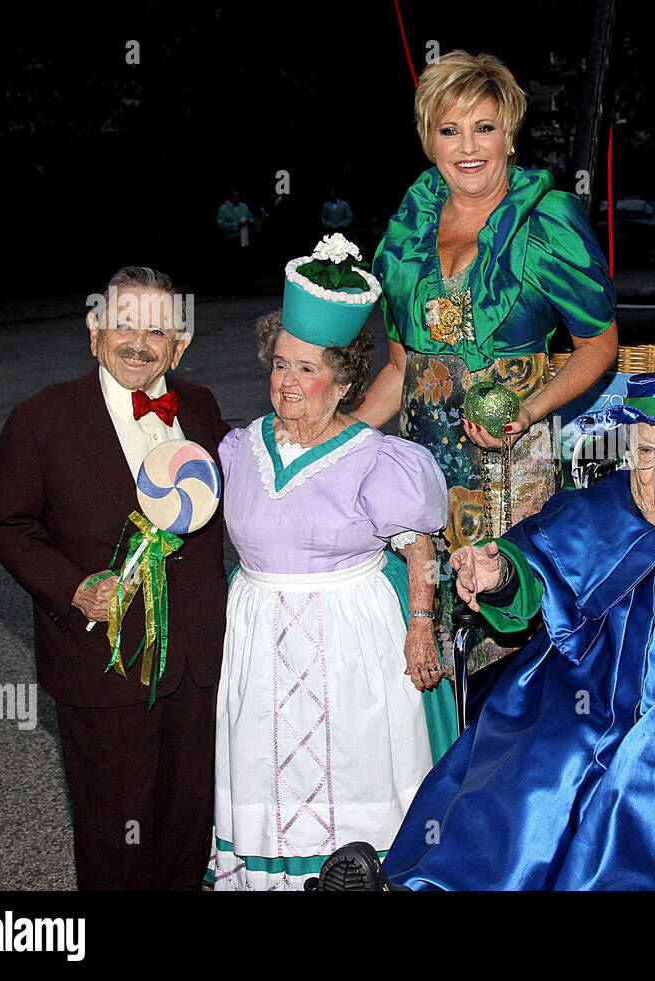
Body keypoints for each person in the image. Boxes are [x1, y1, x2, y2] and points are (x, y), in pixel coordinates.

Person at [351, 373, 655, 890]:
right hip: (579, 687)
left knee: (634, 794)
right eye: (647, 452)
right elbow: (528, 570)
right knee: (529, 774)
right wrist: (498, 576)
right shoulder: (598, 506)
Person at [356, 50, 618, 676]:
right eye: (450, 130)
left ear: (509, 134)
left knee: (506, 654)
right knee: (425, 644)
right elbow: (401, 371)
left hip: (511, 474)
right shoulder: (406, 231)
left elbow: (599, 346)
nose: (467, 146)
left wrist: (529, 410)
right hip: (423, 482)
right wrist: (333, 443)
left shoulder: (546, 222)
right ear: (430, 140)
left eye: (484, 127)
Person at [210, 235, 449, 890]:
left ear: (344, 380)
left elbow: (418, 546)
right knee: (268, 772)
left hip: (352, 648)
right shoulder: (236, 449)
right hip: (260, 644)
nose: (288, 381)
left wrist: (421, 624)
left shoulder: (376, 457)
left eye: (307, 368)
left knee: (352, 773)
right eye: (280, 364)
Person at [0, 266, 231, 889]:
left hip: (196, 666)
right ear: (94, 330)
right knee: (114, 839)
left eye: (157, 331)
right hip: (103, 662)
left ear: (181, 345)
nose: (138, 343)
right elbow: (9, 529)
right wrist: (73, 589)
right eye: (124, 323)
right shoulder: (41, 419)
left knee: (185, 834)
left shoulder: (199, 407)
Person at [216, 189, 256, 291]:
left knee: (243, 263)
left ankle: (245, 285)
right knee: (232, 263)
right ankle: (233, 286)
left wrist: (248, 221)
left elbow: (251, 218)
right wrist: (236, 225)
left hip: (244, 239)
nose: (236, 198)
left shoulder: (244, 206)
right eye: (234, 196)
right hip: (231, 240)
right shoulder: (223, 209)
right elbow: (221, 225)